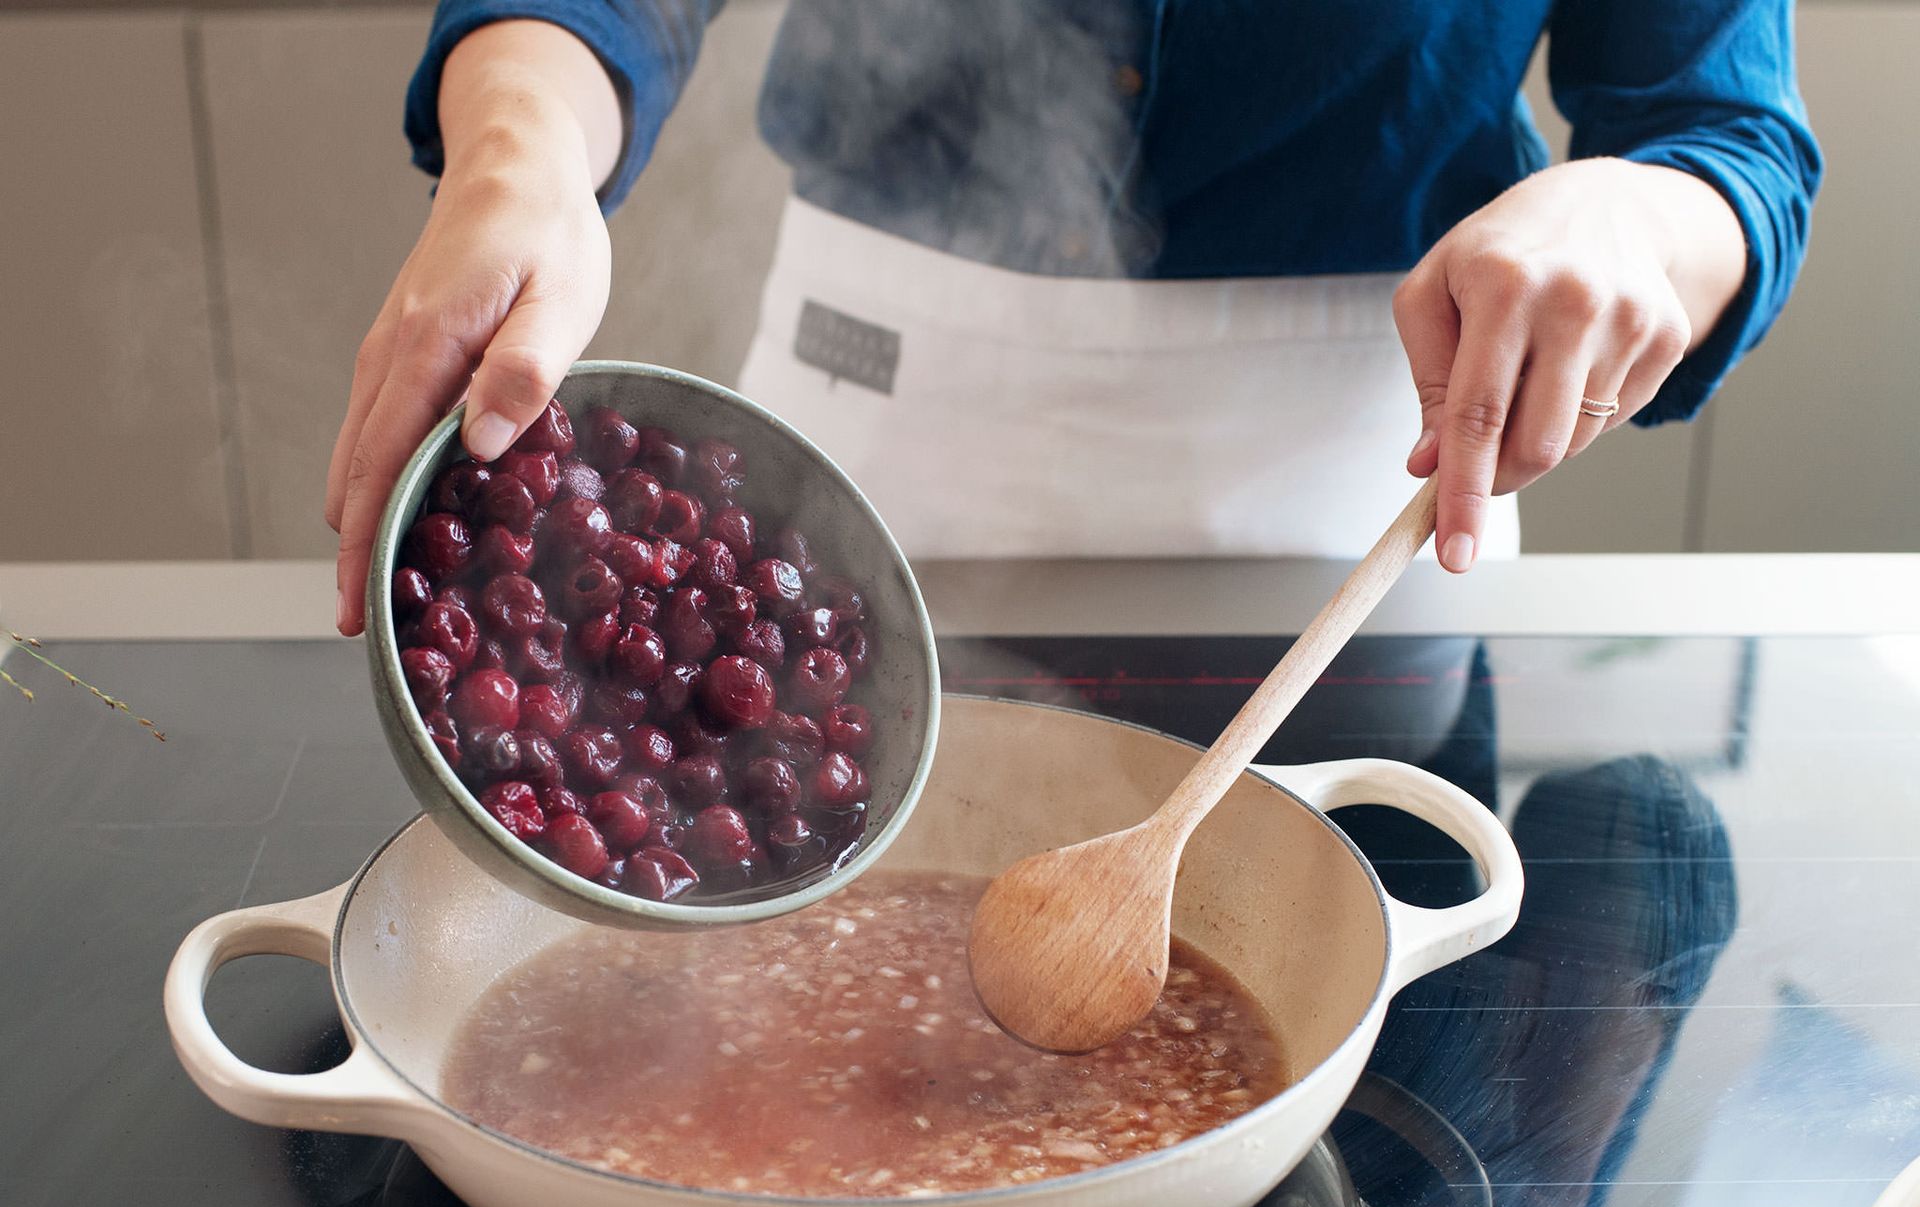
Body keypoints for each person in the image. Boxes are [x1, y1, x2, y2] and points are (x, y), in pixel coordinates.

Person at [327, 1, 1820, 636]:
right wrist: (517, 163)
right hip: (872, 440)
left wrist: (1637, 213)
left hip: (1358, 504)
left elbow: (1727, 140)